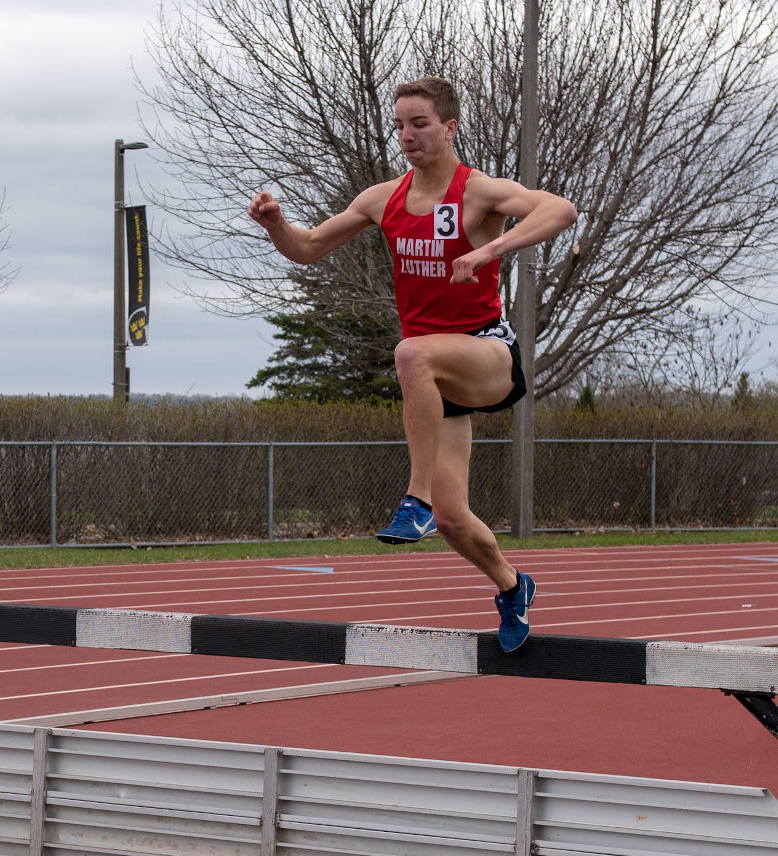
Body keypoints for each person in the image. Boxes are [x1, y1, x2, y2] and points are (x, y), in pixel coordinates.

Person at [247, 76, 576, 651]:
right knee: (455, 520)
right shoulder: (383, 199)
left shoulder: (479, 193)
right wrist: (276, 223)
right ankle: (511, 585)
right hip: (434, 376)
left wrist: (492, 248)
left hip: (489, 355)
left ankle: (414, 499)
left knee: (410, 352)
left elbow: (561, 209)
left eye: (419, 123)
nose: (407, 135)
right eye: (399, 125)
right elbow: (309, 248)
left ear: (449, 127)